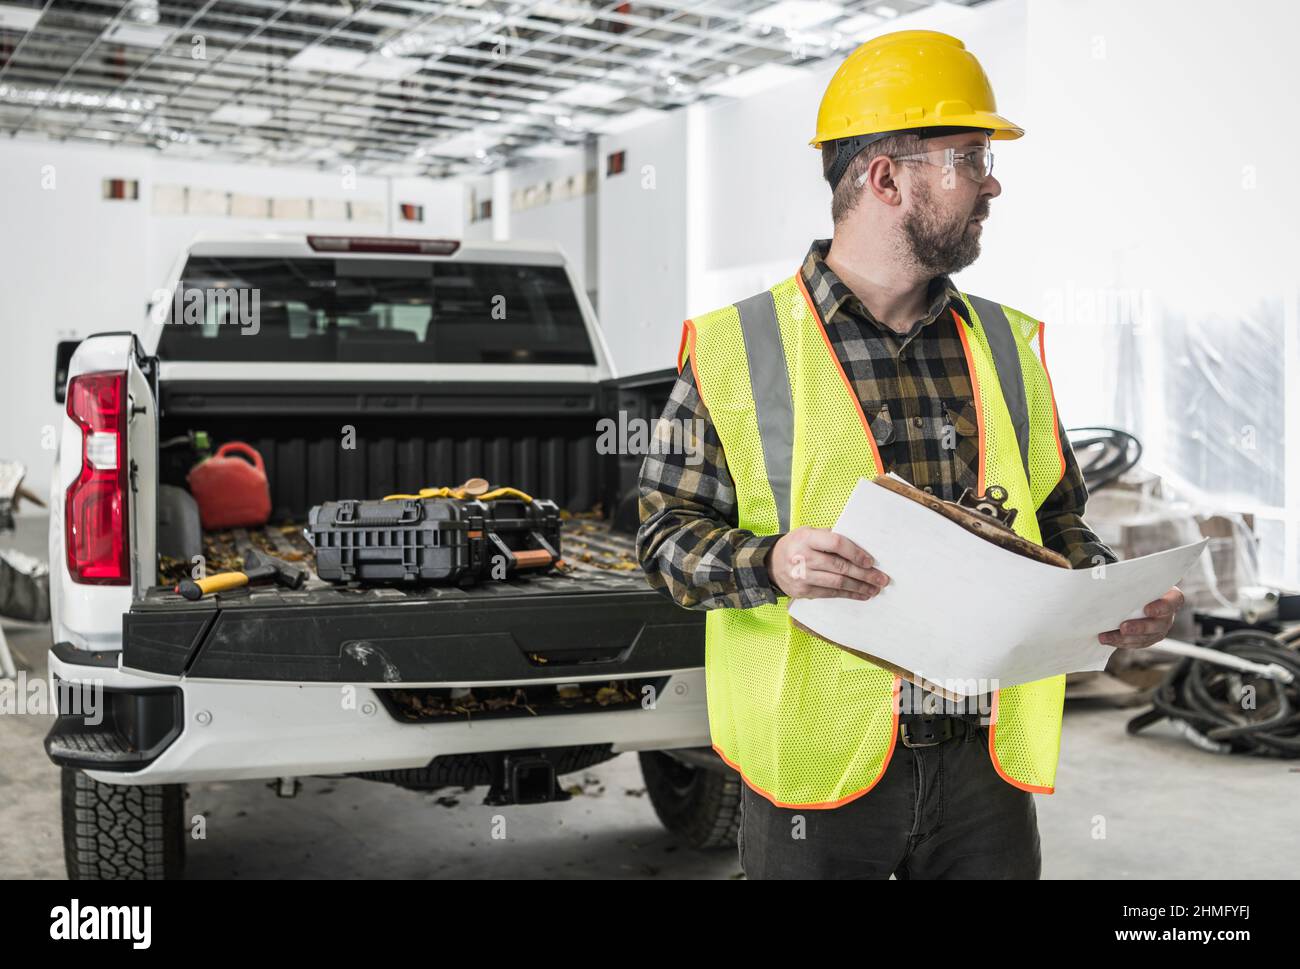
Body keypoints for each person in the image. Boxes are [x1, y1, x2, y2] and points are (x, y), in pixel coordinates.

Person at [636, 29, 1184, 880]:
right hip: (819, 771)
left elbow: (1057, 516)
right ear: (885, 177)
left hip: (982, 766)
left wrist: (1105, 594)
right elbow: (666, 537)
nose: (992, 182)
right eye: (969, 156)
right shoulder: (736, 346)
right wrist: (770, 561)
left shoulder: (1005, 342)